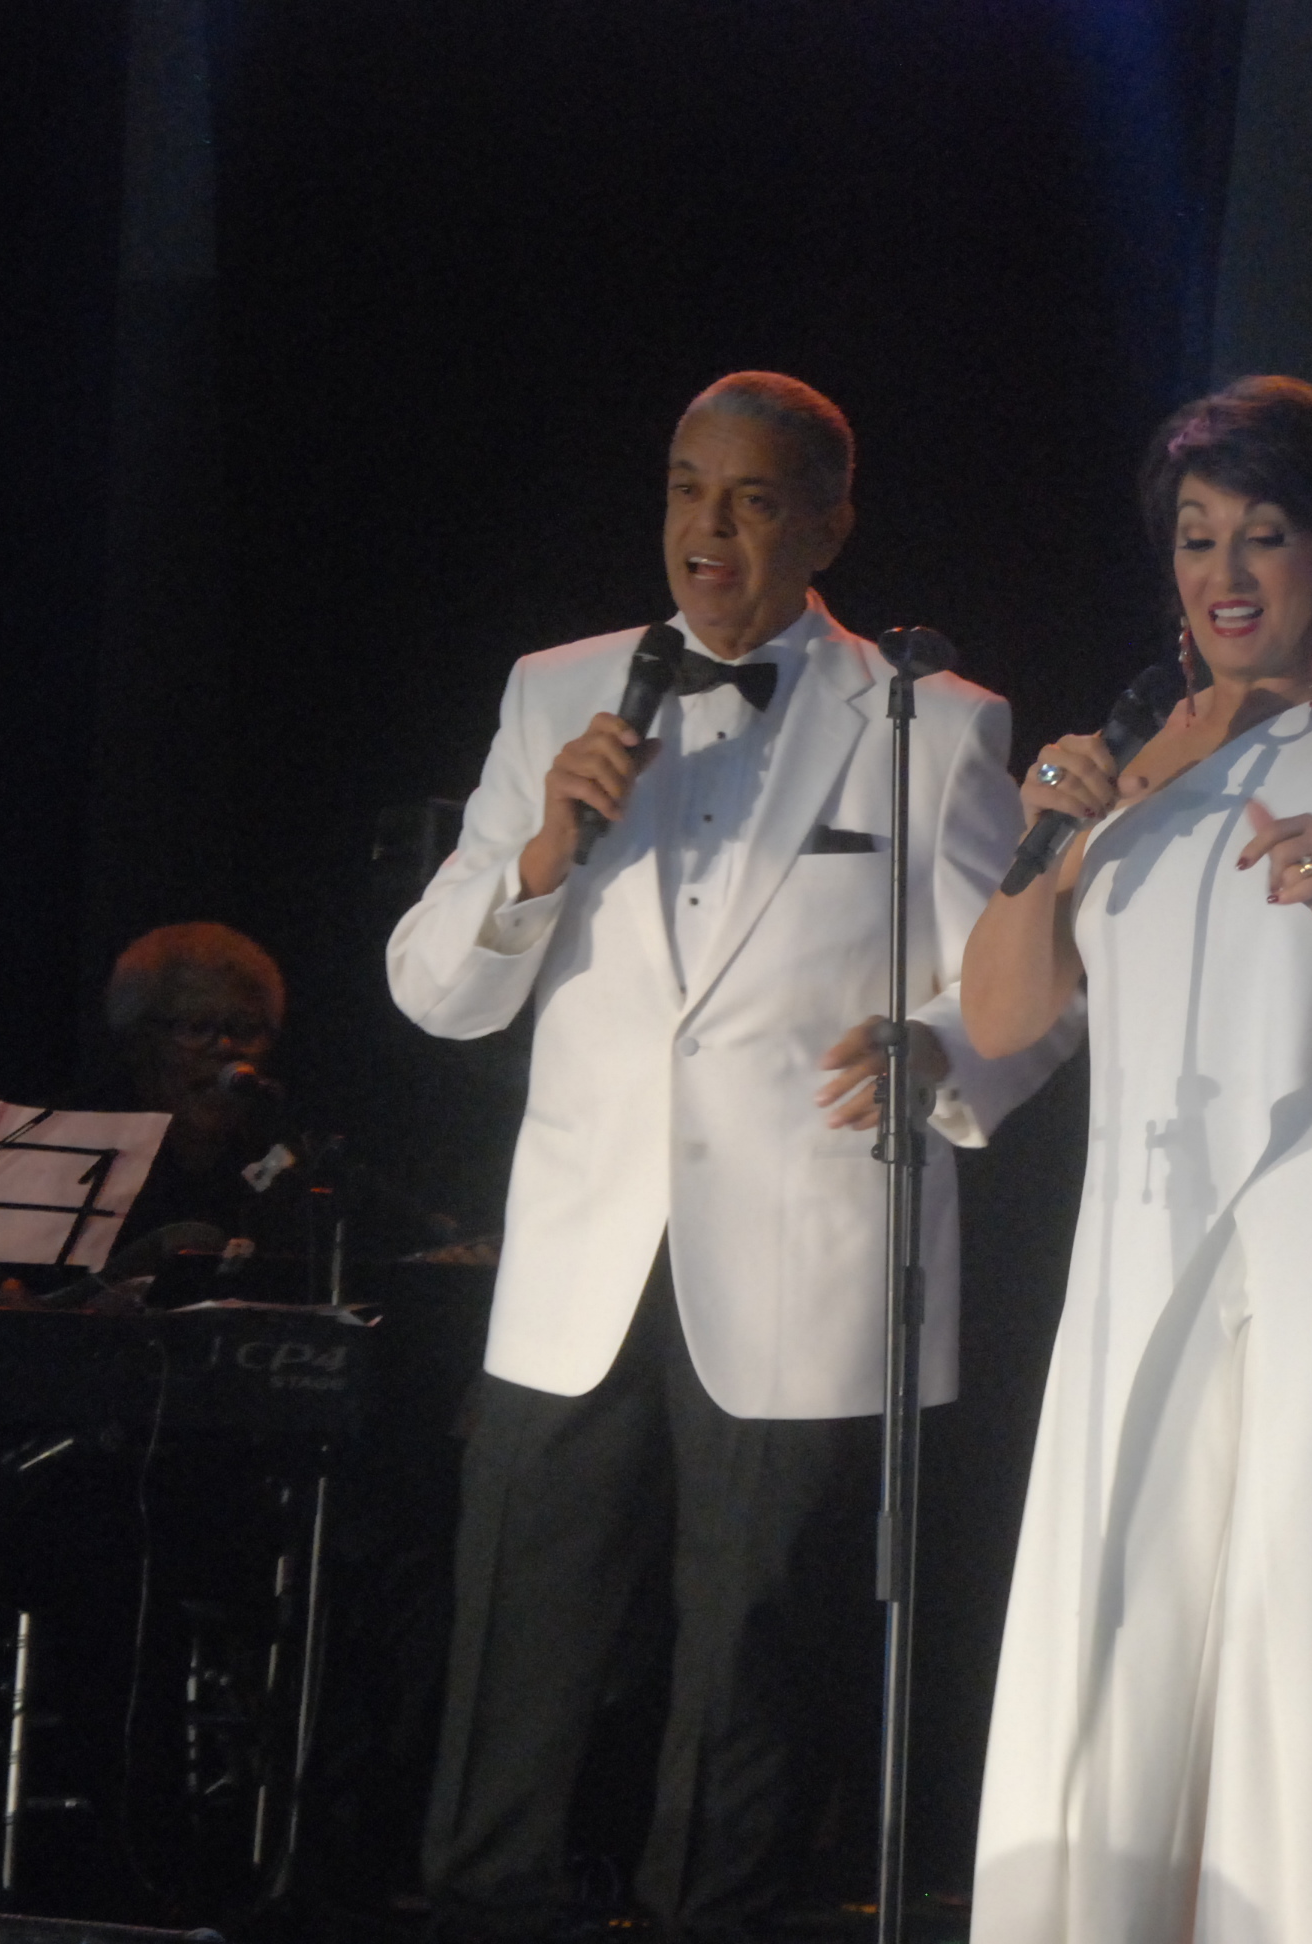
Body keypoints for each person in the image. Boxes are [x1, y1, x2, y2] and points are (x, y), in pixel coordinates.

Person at [387, 371, 1070, 1943]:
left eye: (753, 499)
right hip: (581, 1260)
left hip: (801, 1251)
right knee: (519, 1653)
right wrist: (545, 852)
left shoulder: (929, 718)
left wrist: (942, 1053)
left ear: (828, 521)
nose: (708, 529)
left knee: (750, 1675)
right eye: (688, 489)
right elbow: (431, 990)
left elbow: (1031, 990)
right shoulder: (556, 693)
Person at [962, 375, 1312, 1942]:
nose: (1224, 574)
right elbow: (1004, 1017)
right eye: (1197, 538)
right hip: (1148, 1212)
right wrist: (1045, 849)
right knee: (1120, 1561)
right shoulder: (1127, 762)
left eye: (1262, 537)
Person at [84, 921, 295, 1254]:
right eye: (197, 1027)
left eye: (245, 1029)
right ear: (138, 1042)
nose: (226, 1047)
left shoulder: (276, 1160)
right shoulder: (75, 1146)